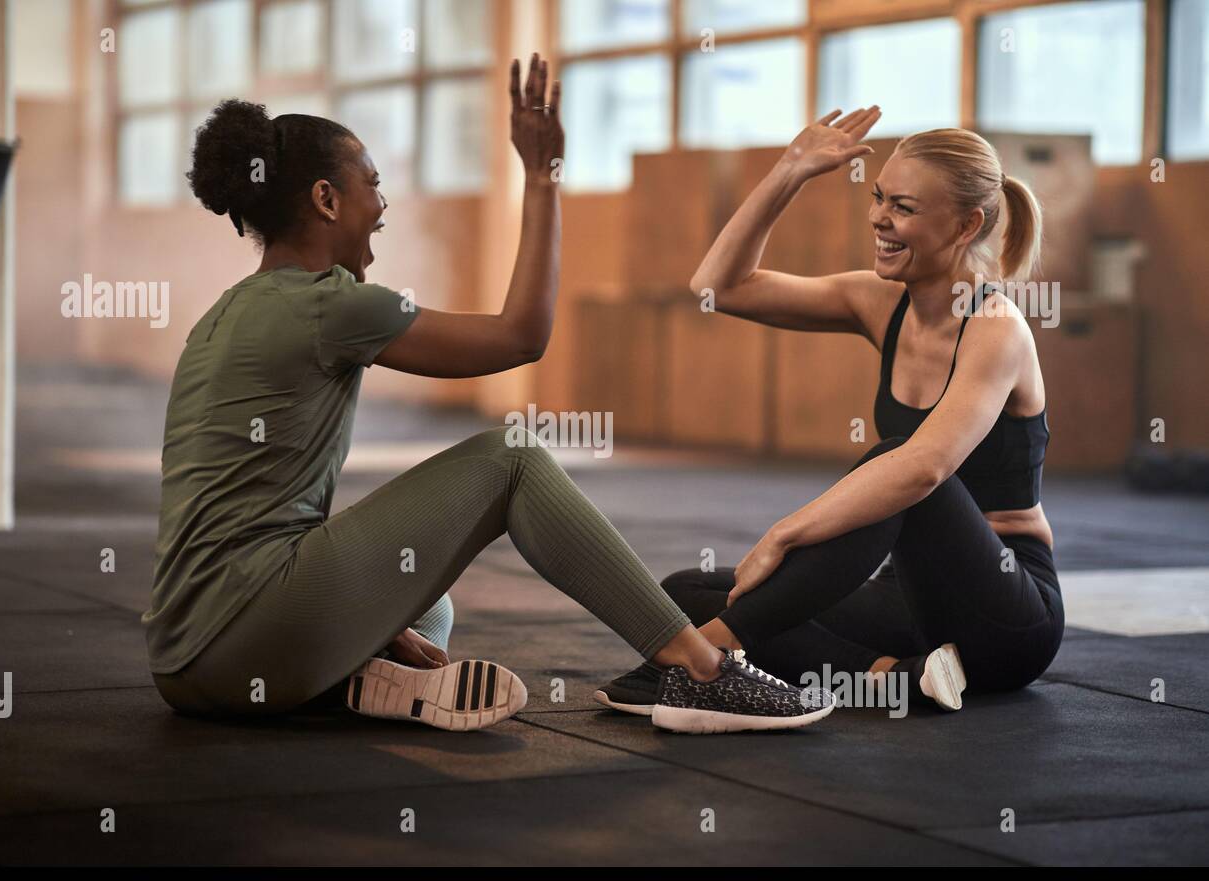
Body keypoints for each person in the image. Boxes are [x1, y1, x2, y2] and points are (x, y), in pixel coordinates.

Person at [141, 55, 835, 735]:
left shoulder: (221, 317)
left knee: (427, 602)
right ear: (326, 199)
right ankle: (699, 669)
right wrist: (540, 177)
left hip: (186, 664)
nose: (382, 203)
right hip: (252, 629)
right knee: (512, 460)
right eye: (372, 184)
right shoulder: (333, 306)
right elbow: (522, 337)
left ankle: (359, 675)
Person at [597, 108, 1064, 716]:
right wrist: (790, 170)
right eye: (877, 199)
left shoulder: (997, 328)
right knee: (685, 593)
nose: (878, 218)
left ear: (966, 224)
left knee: (897, 459)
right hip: (907, 605)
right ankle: (887, 677)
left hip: (1006, 614)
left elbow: (924, 467)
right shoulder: (878, 302)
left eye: (903, 207)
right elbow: (718, 286)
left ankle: (707, 659)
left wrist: (783, 535)